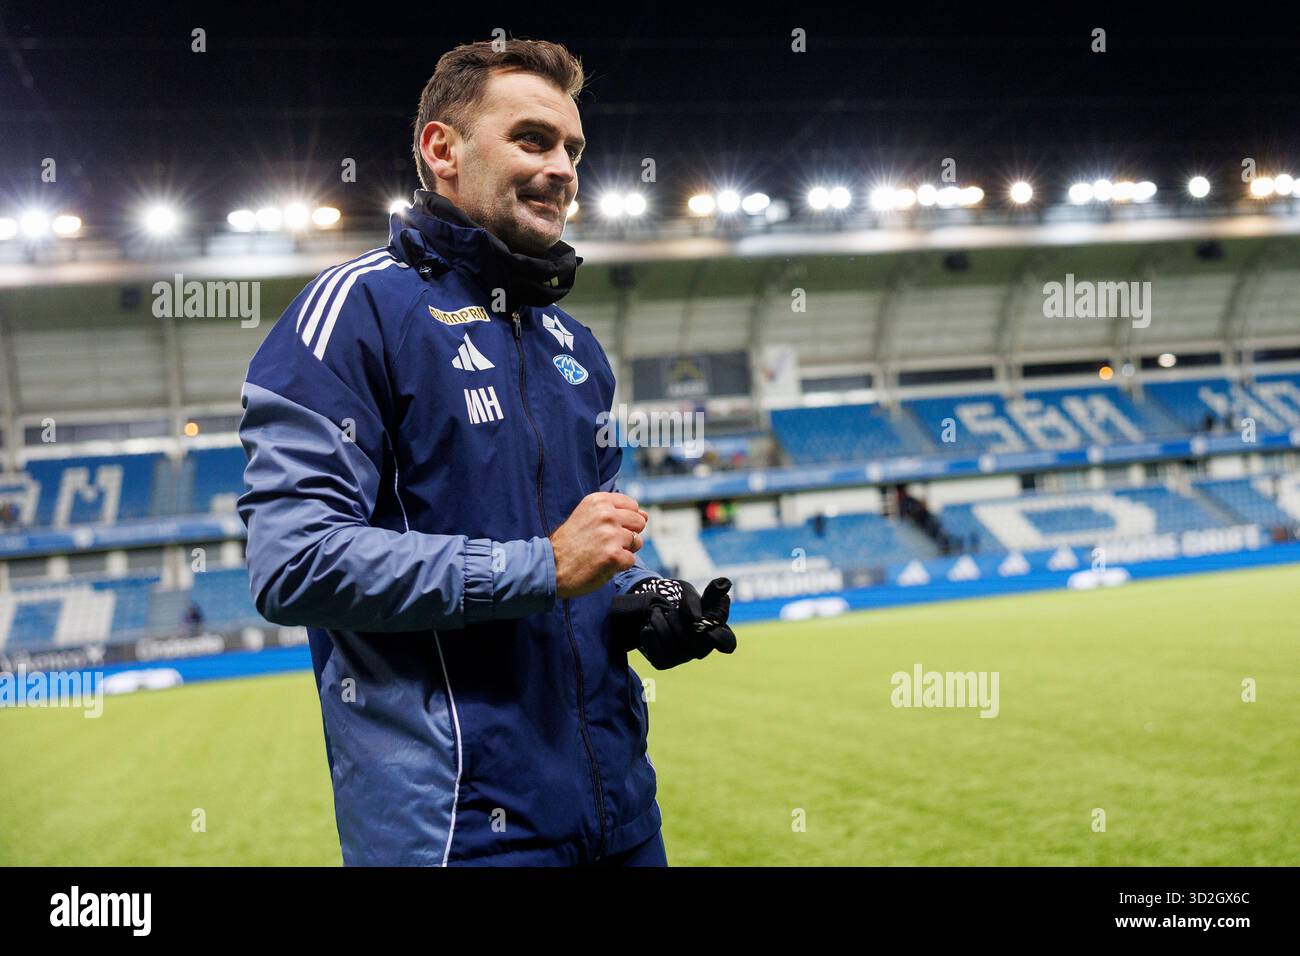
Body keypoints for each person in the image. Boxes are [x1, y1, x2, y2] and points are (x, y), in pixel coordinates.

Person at [237, 38, 736, 867]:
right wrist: (541, 566)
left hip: (620, 815)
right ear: (442, 150)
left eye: (573, 148)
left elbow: (592, 553)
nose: (565, 169)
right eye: (533, 140)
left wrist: (645, 599)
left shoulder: (573, 345)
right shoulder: (352, 313)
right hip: (458, 832)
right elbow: (294, 562)